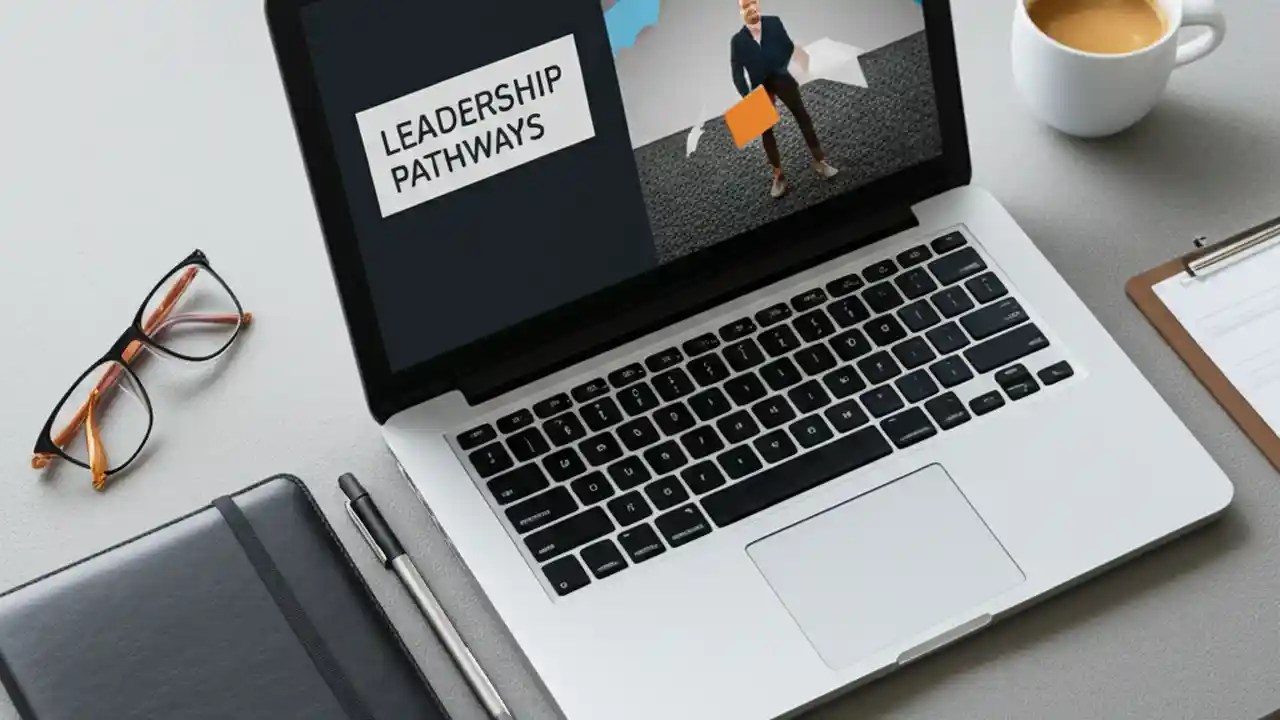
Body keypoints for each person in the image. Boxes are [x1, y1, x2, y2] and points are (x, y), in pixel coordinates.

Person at [730, 0, 839, 199]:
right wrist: (747, 97)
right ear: (740, 10)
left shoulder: (773, 23)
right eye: (745, 5)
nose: (750, 7)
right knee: (766, 131)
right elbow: (737, 72)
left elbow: (787, 46)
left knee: (803, 117)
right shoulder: (737, 41)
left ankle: (820, 162)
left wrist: (778, 65)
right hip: (759, 88)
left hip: (781, 78)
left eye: (752, 2)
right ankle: (778, 175)